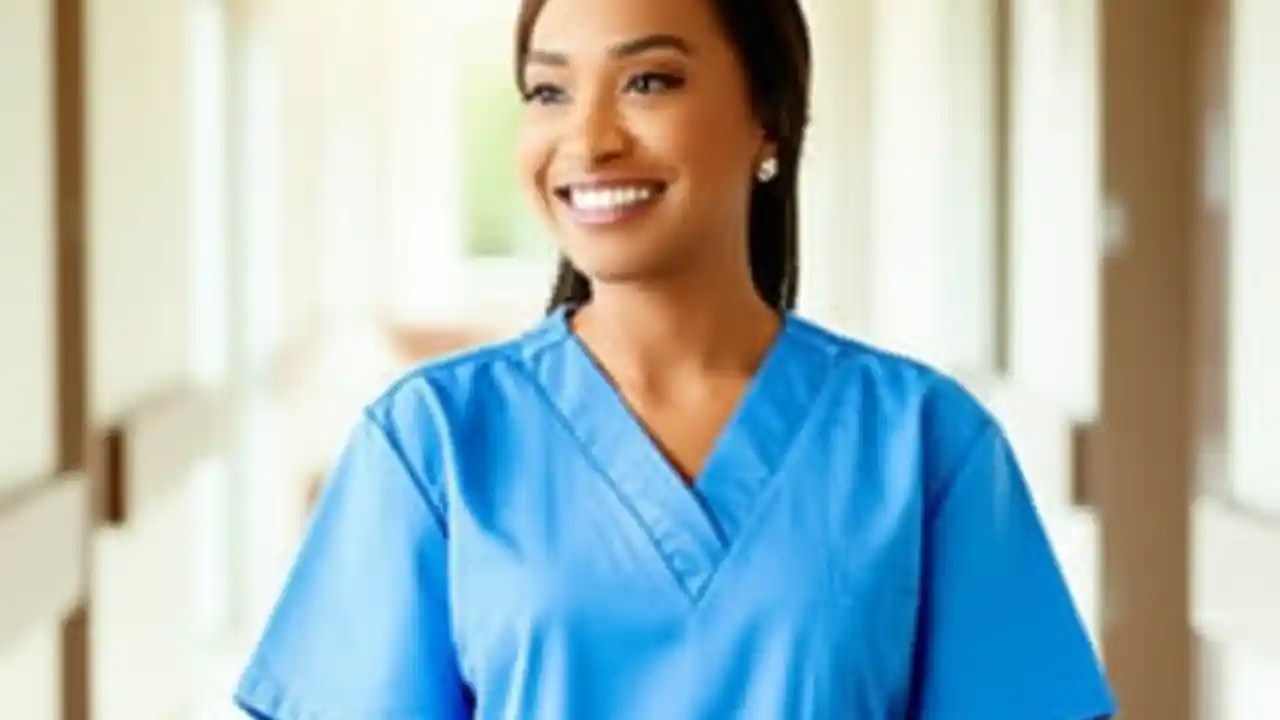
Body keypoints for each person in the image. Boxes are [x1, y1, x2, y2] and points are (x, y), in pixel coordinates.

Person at [234, 0, 1117, 716]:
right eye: (548, 94)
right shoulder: (434, 441)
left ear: (769, 119)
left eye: (647, 81)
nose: (588, 139)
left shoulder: (922, 444)